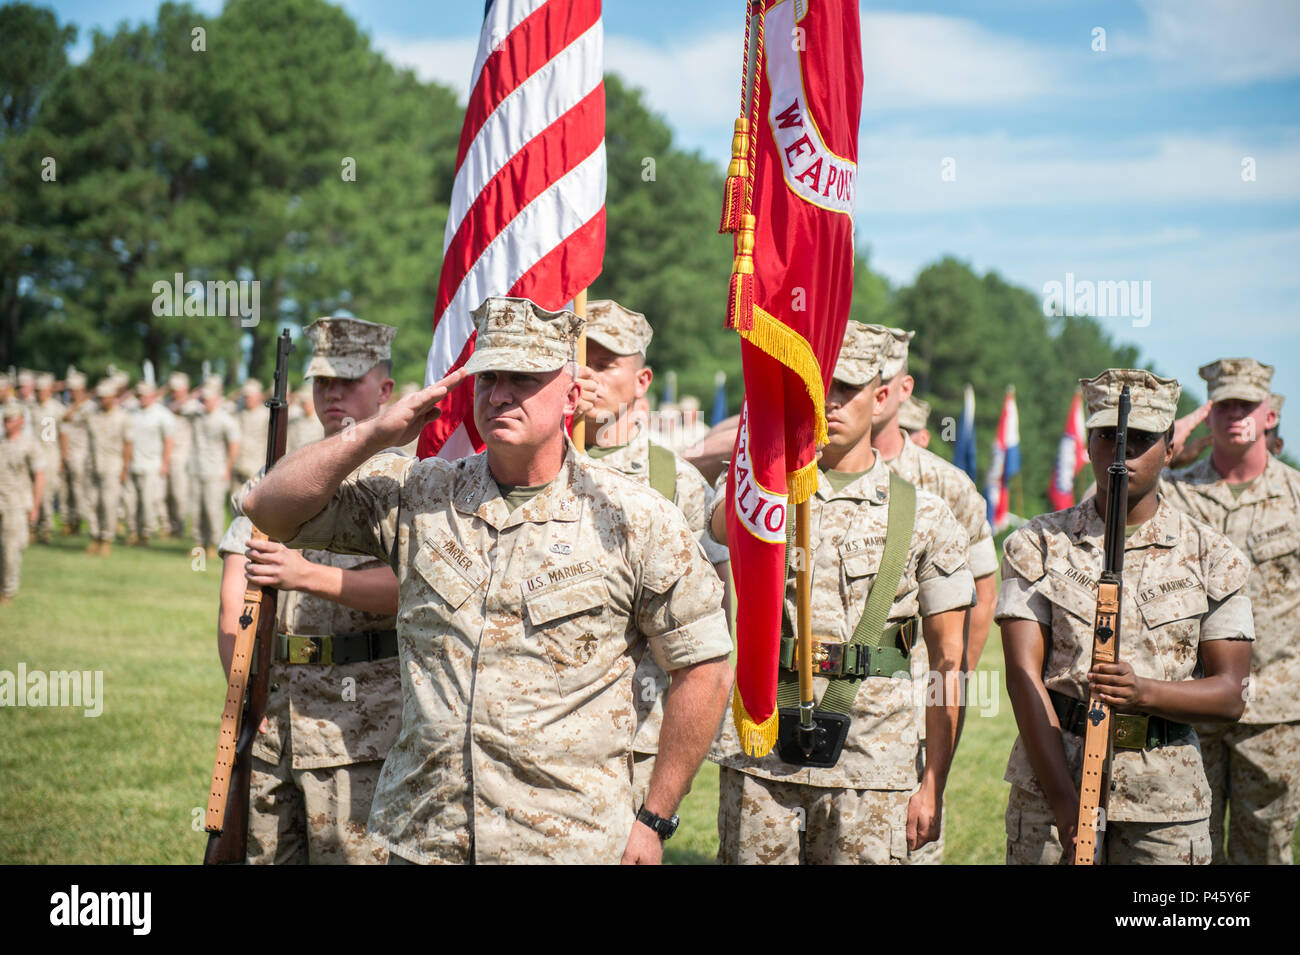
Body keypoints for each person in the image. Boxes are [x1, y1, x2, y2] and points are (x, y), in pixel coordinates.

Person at [243, 296, 734, 865]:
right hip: (423, 836)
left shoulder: (634, 515)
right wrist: (378, 431)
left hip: (565, 842)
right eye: (488, 378)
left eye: (523, 379)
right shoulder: (421, 495)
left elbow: (705, 666)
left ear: (570, 396)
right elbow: (269, 509)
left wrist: (654, 817)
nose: (500, 394)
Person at [707, 323, 972, 864]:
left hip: (872, 764)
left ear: (880, 398)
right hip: (762, 756)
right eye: (817, 384)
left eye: (845, 388)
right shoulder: (762, 488)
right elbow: (718, 528)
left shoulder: (926, 514)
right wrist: (770, 456)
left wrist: (932, 782)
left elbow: (949, 661)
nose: (828, 401)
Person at [999, 369, 1254, 865]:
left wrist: (1144, 692)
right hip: (1054, 786)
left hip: (1165, 802)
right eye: (1108, 436)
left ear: (1171, 448)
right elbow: (1022, 679)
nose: (1122, 452)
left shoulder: (1212, 557)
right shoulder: (1037, 545)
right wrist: (1066, 806)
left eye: (1140, 439)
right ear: (1088, 444)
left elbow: (1230, 694)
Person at [217, 317, 403, 864]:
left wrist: (305, 574)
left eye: (350, 380)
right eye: (324, 382)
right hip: (272, 711)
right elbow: (232, 603)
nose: (334, 394)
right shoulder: (275, 481)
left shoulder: (404, 480)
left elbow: (409, 589)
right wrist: (242, 697)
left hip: (361, 721)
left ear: (385, 390)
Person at [578, 298, 731, 808]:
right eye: (579, 358)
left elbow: (709, 616)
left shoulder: (675, 480)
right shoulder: (529, 467)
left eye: (605, 363)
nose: (589, 375)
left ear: (642, 381)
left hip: (633, 733)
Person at [865, 325, 996, 865]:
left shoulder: (945, 486)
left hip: (912, 703)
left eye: (880, 381)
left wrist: (950, 680)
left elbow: (982, 598)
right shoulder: (804, 476)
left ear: (903, 389)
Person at [1161, 359, 1300, 864]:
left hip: (1275, 708)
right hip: (1190, 701)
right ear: (1208, 413)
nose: (1235, 413)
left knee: (1265, 847)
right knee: (1186, 846)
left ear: (1270, 415)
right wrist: (1171, 437)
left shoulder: (1296, 497)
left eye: (1248, 404)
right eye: (1223, 405)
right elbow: (1103, 497)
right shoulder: (1175, 495)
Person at [0, 400, 45, 604]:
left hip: (16, 503)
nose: (7, 422)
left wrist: (35, 506)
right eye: (5, 419)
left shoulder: (30, 444)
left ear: (21, 421)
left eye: (11, 419)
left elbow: (40, 476)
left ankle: (8, 591)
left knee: (12, 548)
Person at [190, 376, 239, 559]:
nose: (205, 401)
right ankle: (198, 544)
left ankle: (213, 544)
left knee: (213, 510)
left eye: (208, 398)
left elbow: (234, 445)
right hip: (196, 469)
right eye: (203, 398)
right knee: (196, 510)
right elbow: (179, 406)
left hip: (216, 471)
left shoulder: (225, 419)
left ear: (217, 398)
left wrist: (228, 468)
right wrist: (197, 392)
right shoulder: (197, 415)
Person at [125, 381, 175, 546]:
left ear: (153, 395)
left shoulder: (162, 414)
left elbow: (168, 440)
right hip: (133, 463)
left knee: (147, 502)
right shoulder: (132, 413)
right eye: (139, 395)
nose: (142, 398)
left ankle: (145, 534)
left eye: (145, 395)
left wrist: (165, 463)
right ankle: (132, 532)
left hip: (152, 464)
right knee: (130, 502)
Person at [85, 379, 132, 555]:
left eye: (104, 397)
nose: (101, 400)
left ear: (113, 397)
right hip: (93, 464)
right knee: (92, 503)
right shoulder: (91, 414)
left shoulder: (123, 417)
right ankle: (94, 537)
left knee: (108, 504)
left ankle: (106, 539)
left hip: (113, 466)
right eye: (99, 397)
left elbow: (128, 444)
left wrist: (125, 468)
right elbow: (66, 418)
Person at [30, 373, 63, 544]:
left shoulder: (56, 408)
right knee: (32, 494)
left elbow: (64, 433)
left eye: (42, 390)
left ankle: (46, 528)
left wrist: (62, 459)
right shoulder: (30, 407)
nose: (39, 393)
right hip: (33, 456)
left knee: (47, 496)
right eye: (37, 390)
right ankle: (32, 527)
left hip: (50, 457)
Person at [60, 370, 92, 536]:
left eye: (75, 389)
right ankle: (66, 521)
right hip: (62, 454)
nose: (72, 392)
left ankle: (78, 521)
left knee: (79, 490)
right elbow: (54, 429)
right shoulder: (63, 405)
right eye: (70, 389)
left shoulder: (89, 408)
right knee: (64, 491)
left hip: (81, 454)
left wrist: (79, 404)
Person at [165, 372, 196, 539]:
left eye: (177, 390)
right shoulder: (168, 403)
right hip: (166, 454)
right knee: (165, 495)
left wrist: (190, 397)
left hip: (182, 456)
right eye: (173, 390)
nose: (174, 393)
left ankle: (180, 527)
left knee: (179, 495)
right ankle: (170, 527)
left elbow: (179, 408)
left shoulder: (191, 405)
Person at [232, 378, 268, 495]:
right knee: (236, 504)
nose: (247, 399)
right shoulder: (238, 412)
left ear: (258, 396)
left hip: (256, 467)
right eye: (245, 396)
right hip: (239, 465)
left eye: (250, 396)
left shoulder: (266, 415)